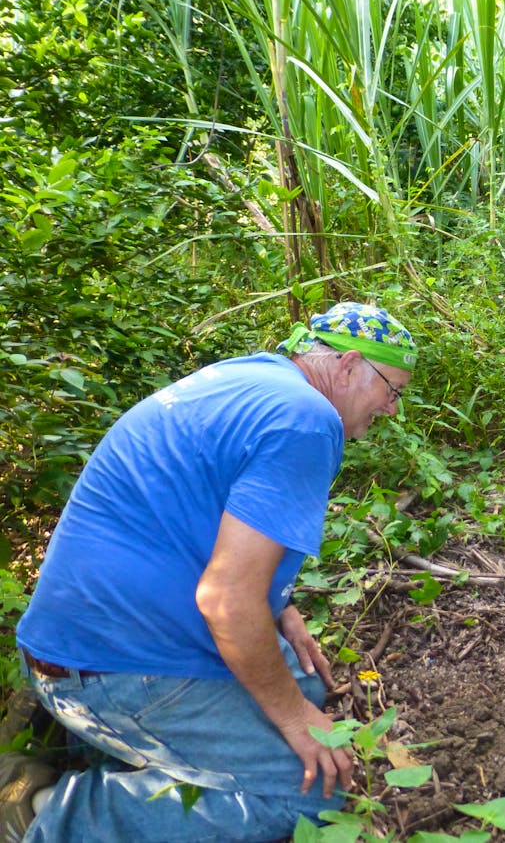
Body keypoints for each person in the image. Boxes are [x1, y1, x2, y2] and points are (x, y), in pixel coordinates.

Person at [1, 302, 417, 841]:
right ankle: (43, 809)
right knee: (313, 791)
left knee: (308, 692)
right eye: (393, 390)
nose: (391, 409)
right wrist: (293, 720)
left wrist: (279, 606)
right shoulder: (308, 420)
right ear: (348, 365)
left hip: (103, 640)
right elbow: (225, 599)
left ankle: (139, 758)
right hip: (104, 668)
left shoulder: (252, 377)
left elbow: (198, 515)